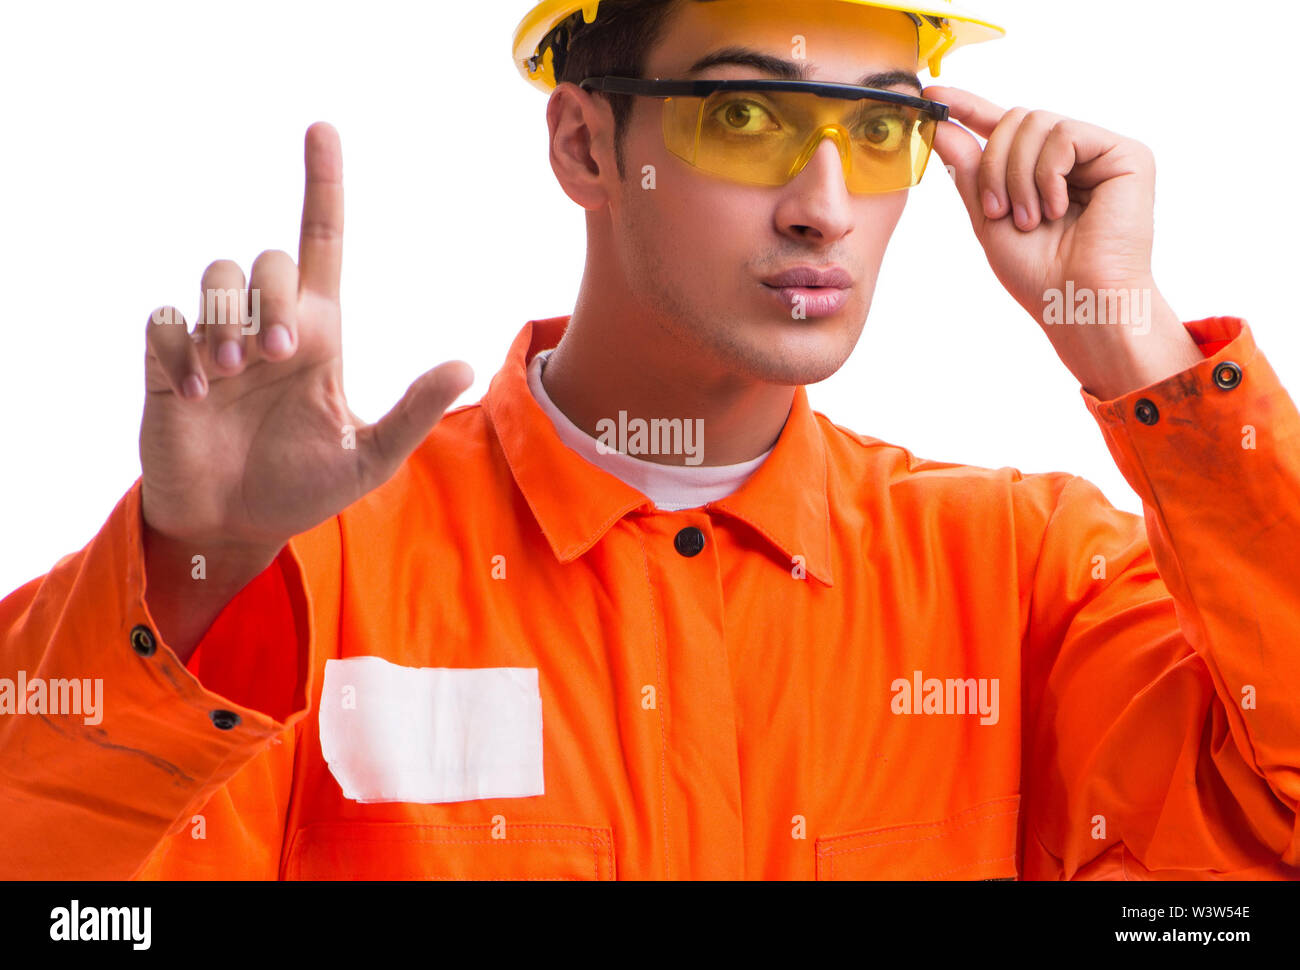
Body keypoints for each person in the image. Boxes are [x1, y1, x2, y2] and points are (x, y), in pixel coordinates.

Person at [1, 0, 1297, 880]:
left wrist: (1129, 342)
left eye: (879, 127)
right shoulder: (315, 569)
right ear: (584, 141)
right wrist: (193, 570)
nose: (826, 207)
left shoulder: (1023, 575)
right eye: (745, 117)